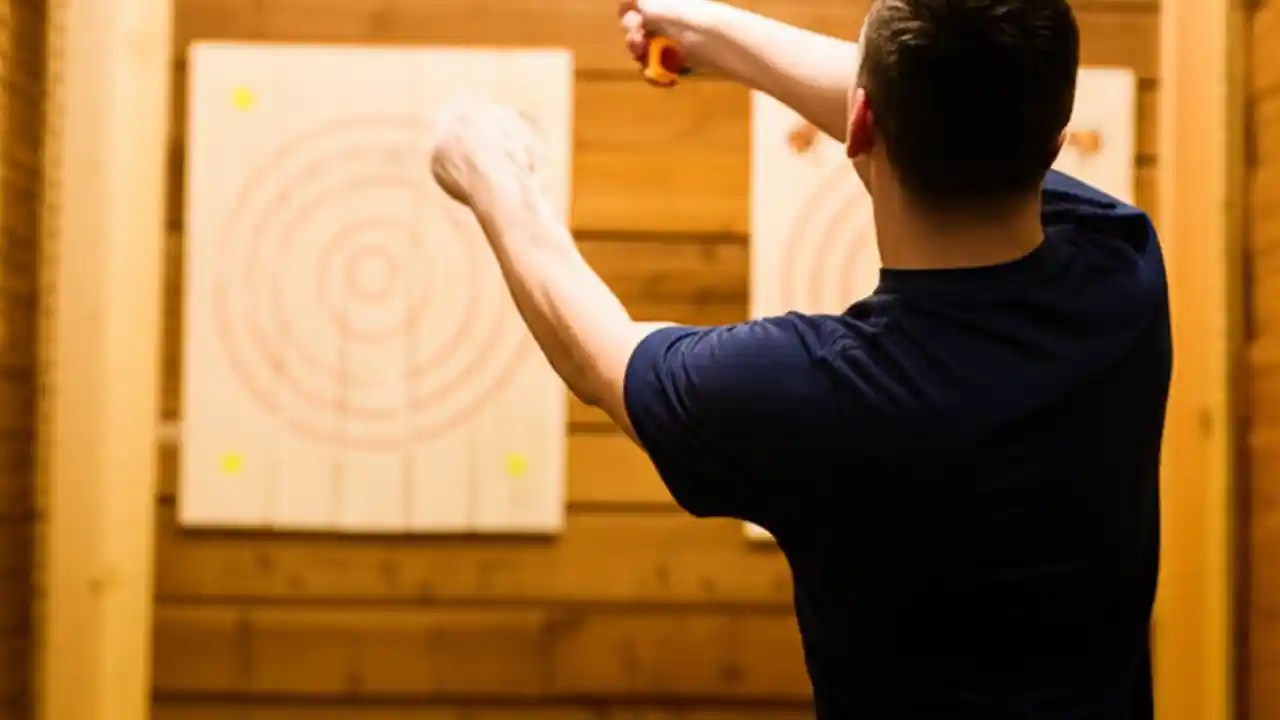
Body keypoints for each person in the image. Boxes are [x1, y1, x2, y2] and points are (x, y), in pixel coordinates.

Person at [430, 0, 1171, 716]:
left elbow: (599, 359)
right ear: (1055, 139)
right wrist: (704, 28)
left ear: (859, 119)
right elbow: (930, 99)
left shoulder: (819, 396)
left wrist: (490, 172)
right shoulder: (1120, 271)